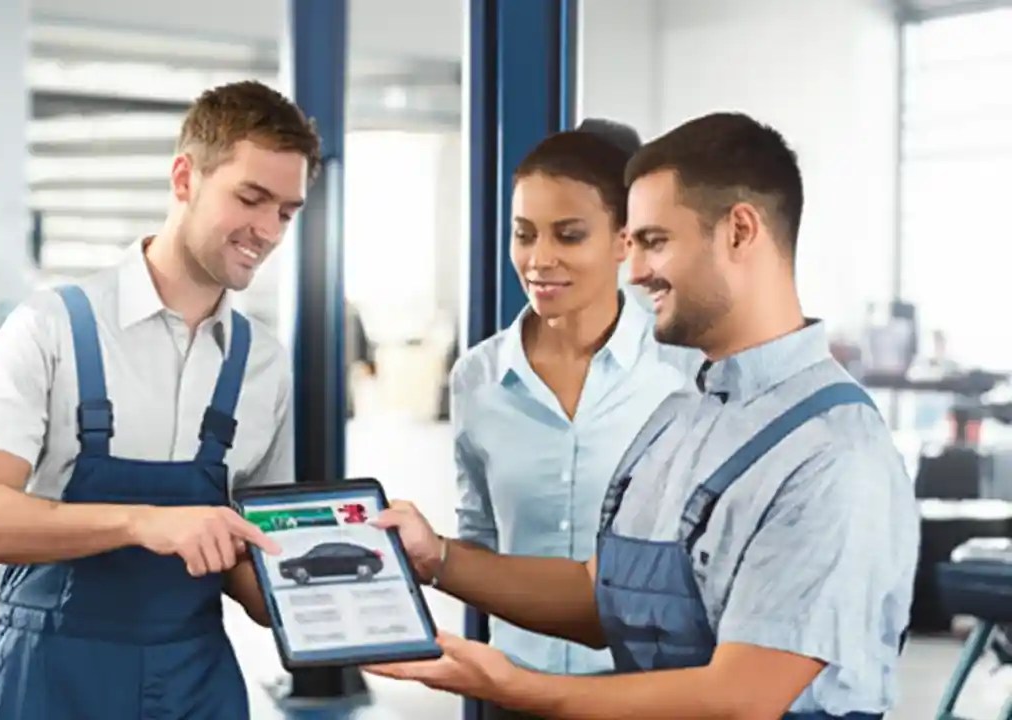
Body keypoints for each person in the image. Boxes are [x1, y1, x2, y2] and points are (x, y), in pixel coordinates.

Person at [368, 112, 920, 719]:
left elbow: (740, 700)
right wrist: (435, 557)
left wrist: (514, 687)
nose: (633, 271)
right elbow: (599, 595)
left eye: (655, 242)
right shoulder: (682, 418)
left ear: (739, 231)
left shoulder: (833, 454)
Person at [0, 80, 319, 719]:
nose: (267, 230)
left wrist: (352, 585)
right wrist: (144, 522)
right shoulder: (51, 327)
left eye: (286, 211)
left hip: (195, 681)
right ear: (184, 179)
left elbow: (253, 568)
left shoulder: (265, 364)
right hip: (53, 678)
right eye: (250, 198)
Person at [447, 122, 690, 717]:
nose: (539, 259)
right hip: (512, 690)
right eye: (524, 234)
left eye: (569, 235)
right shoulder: (477, 379)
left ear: (623, 242)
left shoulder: (682, 372)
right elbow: (480, 537)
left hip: (645, 694)